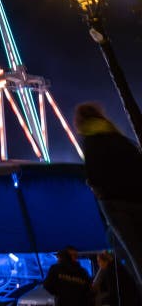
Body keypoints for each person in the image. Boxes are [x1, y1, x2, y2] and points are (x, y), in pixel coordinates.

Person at [75, 102, 142, 292]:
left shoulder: (90, 140)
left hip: (114, 202)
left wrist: (94, 186)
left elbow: (94, 176)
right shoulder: (118, 136)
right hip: (137, 197)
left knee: (133, 253)